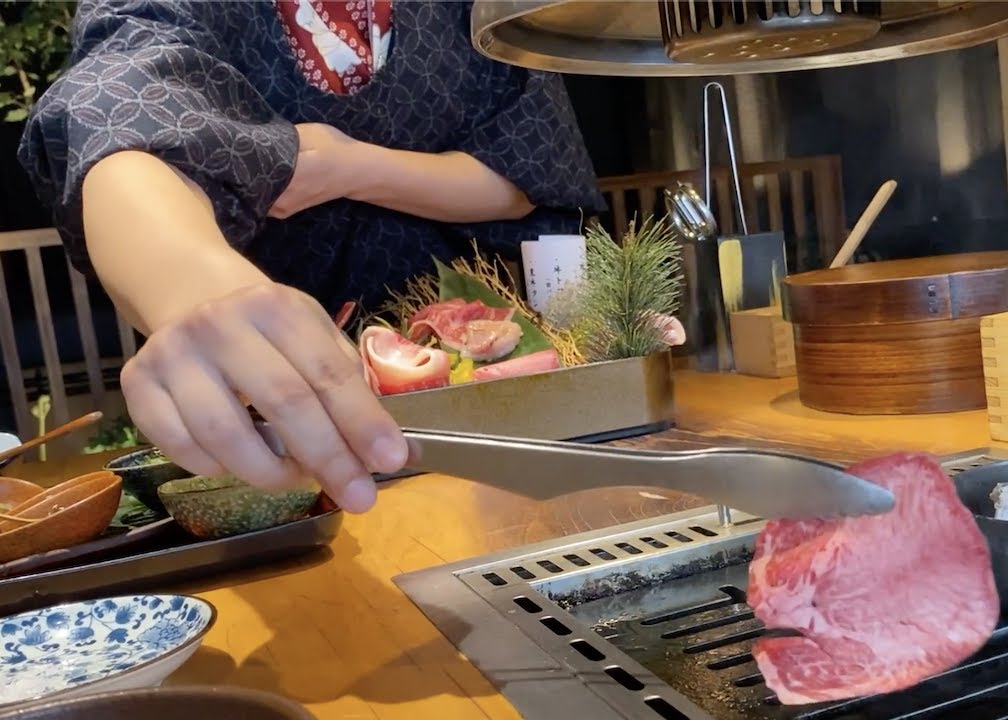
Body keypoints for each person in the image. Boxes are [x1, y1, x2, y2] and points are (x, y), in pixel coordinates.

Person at [18, 0, 603, 513]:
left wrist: (350, 167)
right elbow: (122, 112)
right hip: (291, 409)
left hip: (488, 377)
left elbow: (527, 172)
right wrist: (195, 290)